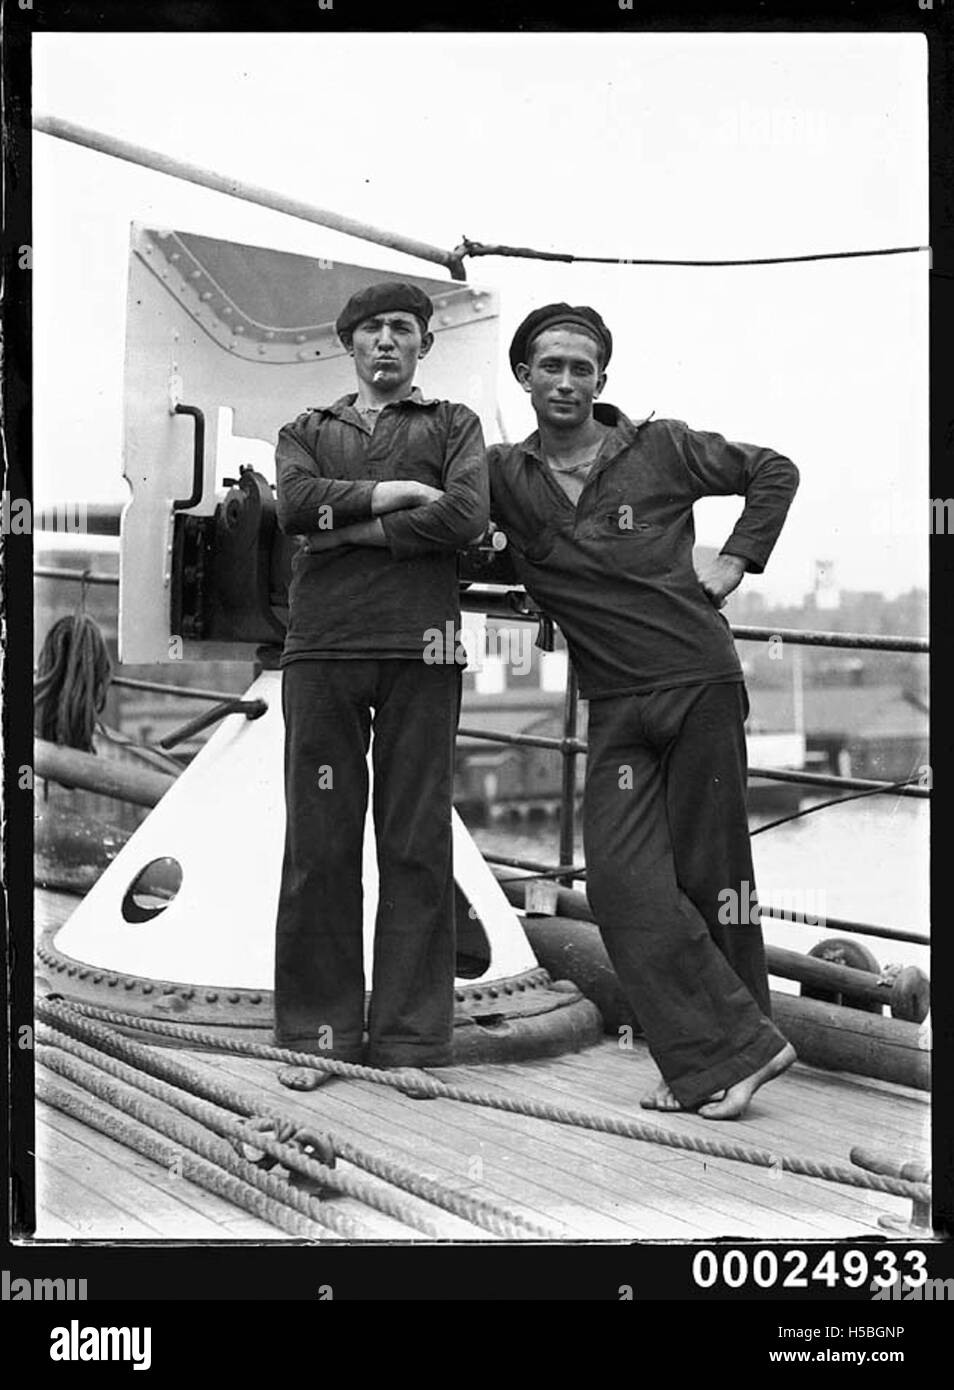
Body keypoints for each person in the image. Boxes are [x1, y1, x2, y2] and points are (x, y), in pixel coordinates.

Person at [488, 303, 799, 1119]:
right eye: (549, 365)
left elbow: (775, 470)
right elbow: (452, 525)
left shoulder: (659, 449)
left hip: (697, 683)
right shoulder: (503, 478)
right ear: (523, 376)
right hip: (618, 705)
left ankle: (722, 1060)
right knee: (625, 885)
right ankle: (742, 1049)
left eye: (581, 368)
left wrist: (735, 561)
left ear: (601, 381)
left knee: (713, 876)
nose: (565, 380)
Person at [273, 280, 488, 1069]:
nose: (388, 341)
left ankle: (410, 1042)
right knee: (319, 845)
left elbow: (466, 517)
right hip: (324, 651)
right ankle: (318, 1036)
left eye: (404, 327)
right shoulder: (306, 430)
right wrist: (395, 493)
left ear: (425, 344)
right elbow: (294, 506)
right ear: (351, 344)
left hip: (421, 654)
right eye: (373, 329)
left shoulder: (455, 424)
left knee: (415, 843)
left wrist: (343, 535)